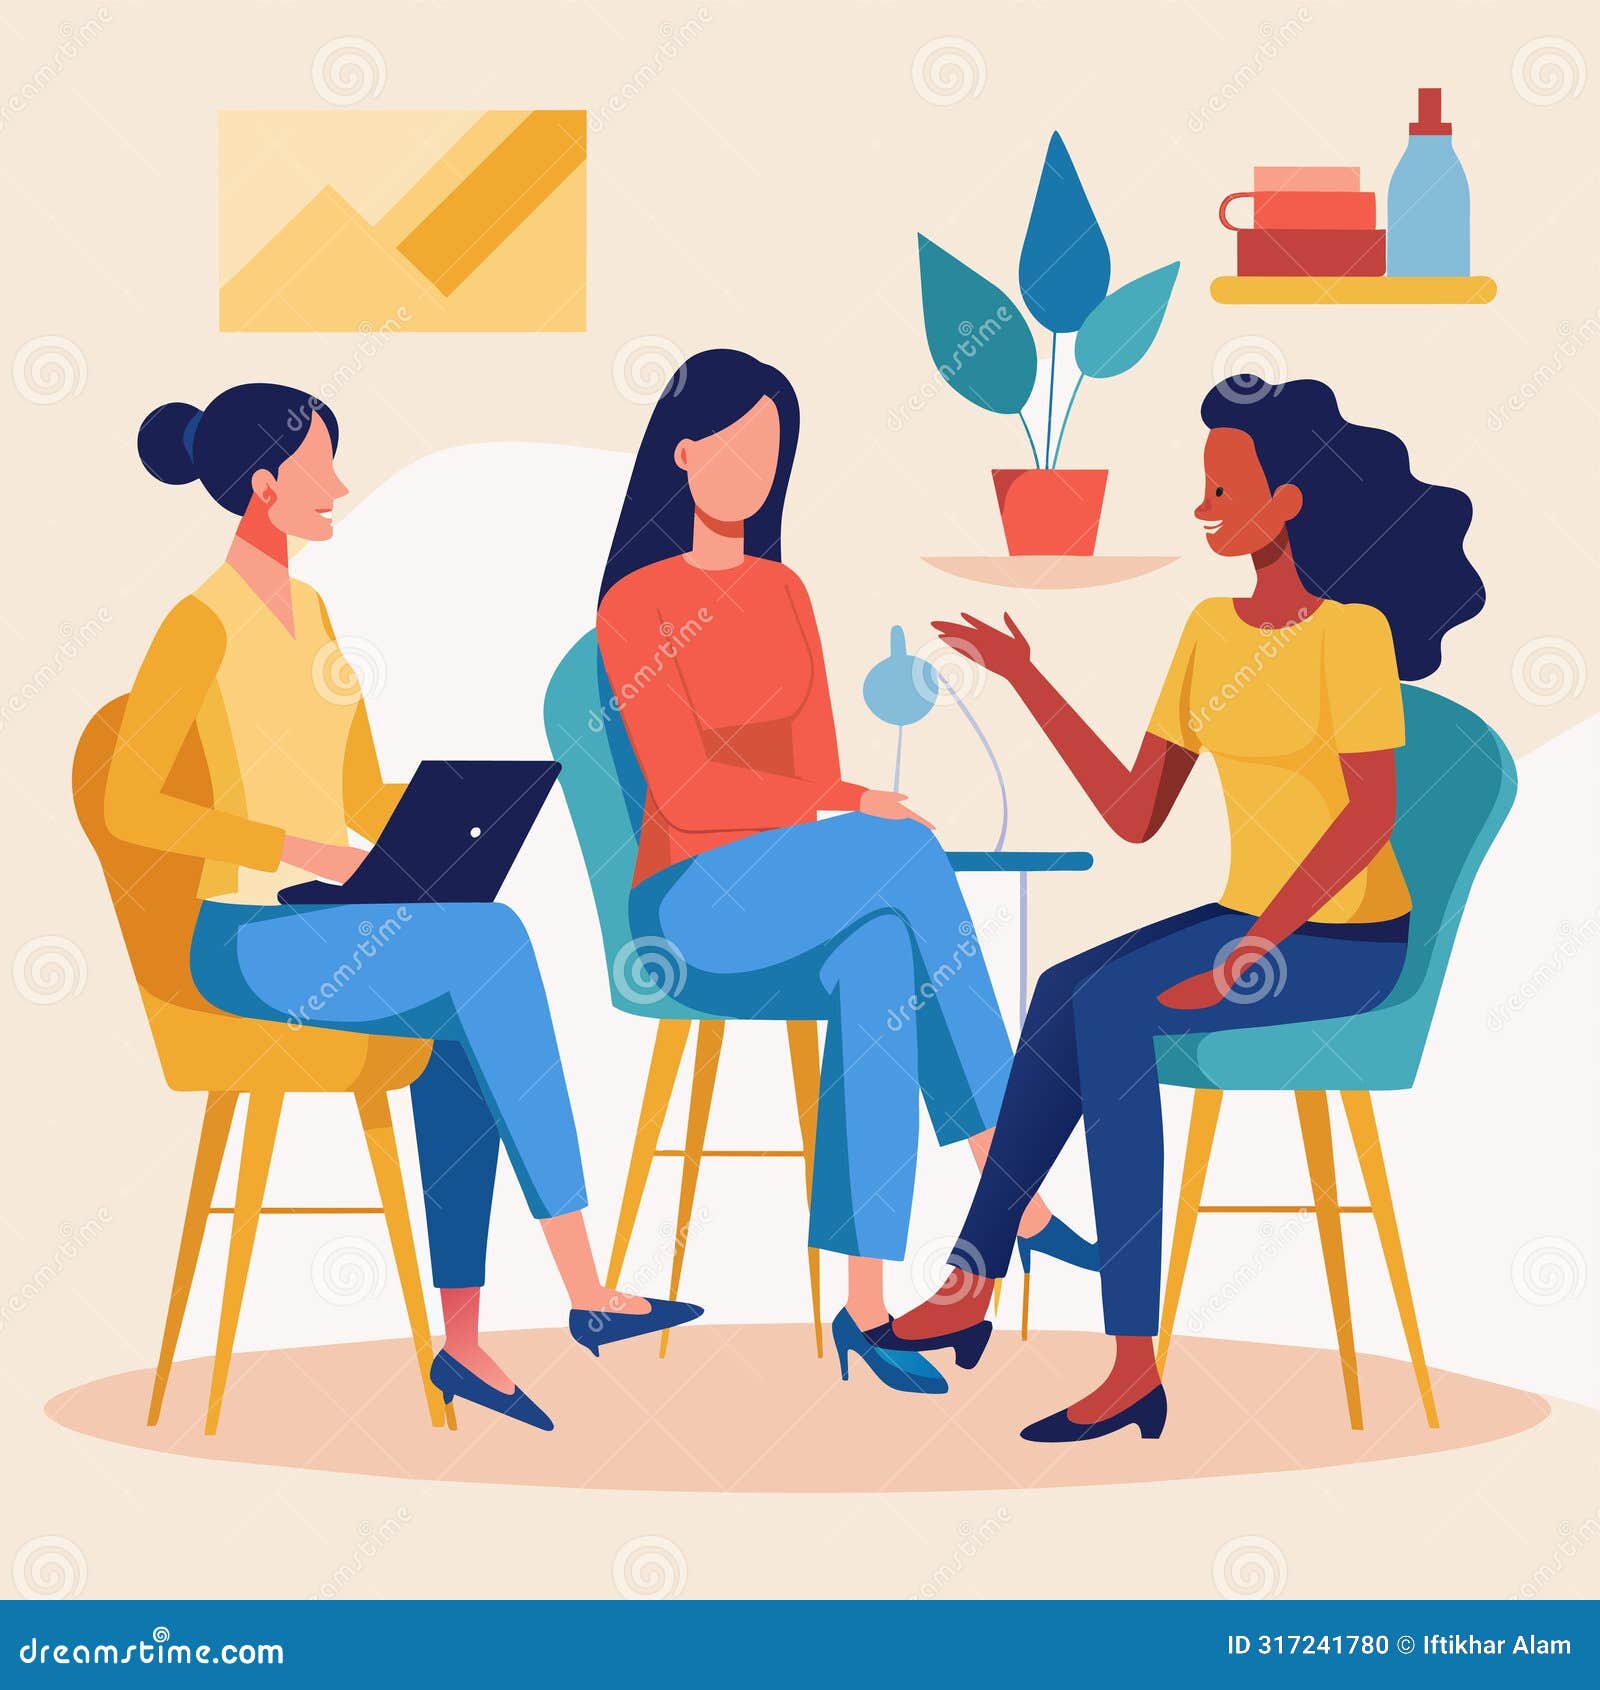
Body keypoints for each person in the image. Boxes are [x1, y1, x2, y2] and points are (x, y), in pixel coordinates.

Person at [894, 374, 1485, 1441]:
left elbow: (1365, 818)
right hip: (1249, 917)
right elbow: (1133, 811)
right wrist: (1027, 678)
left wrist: (1258, 943)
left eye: (1223, 485)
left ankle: (1130, 1362)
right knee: (1064, 986)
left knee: (1115, 1011)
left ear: (1288, 501)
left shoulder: (1346, 636)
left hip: (1349, 941)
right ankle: (973, 1276)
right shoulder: (1210, 630)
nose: (1202, 505)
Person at [107, 383, 700, 1432]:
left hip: (321, 923)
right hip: (239, 939)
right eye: (319, 466)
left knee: (466, 1016)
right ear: (261, 485)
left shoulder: (317, 615)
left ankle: (464, 1342)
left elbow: (355, 796)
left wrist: (450, 818)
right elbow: (130, 800)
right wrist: (295, 850)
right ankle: (585, 1284)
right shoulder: (197, 626)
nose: (338, 484)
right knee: (490, 947)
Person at [596, 349, 1096, 1395]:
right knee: (905, 848)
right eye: (735, 447)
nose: (757, 469)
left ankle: (866, 1306)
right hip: (689, 906)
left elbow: (813, 770)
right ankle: (1009, 1185)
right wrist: (847, 806)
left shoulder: (784, 591)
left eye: (773, 450)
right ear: (681, 453)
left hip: (798, 890)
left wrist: (836, 800)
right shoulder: (636, 606)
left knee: (879, 960)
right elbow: (685, 793)